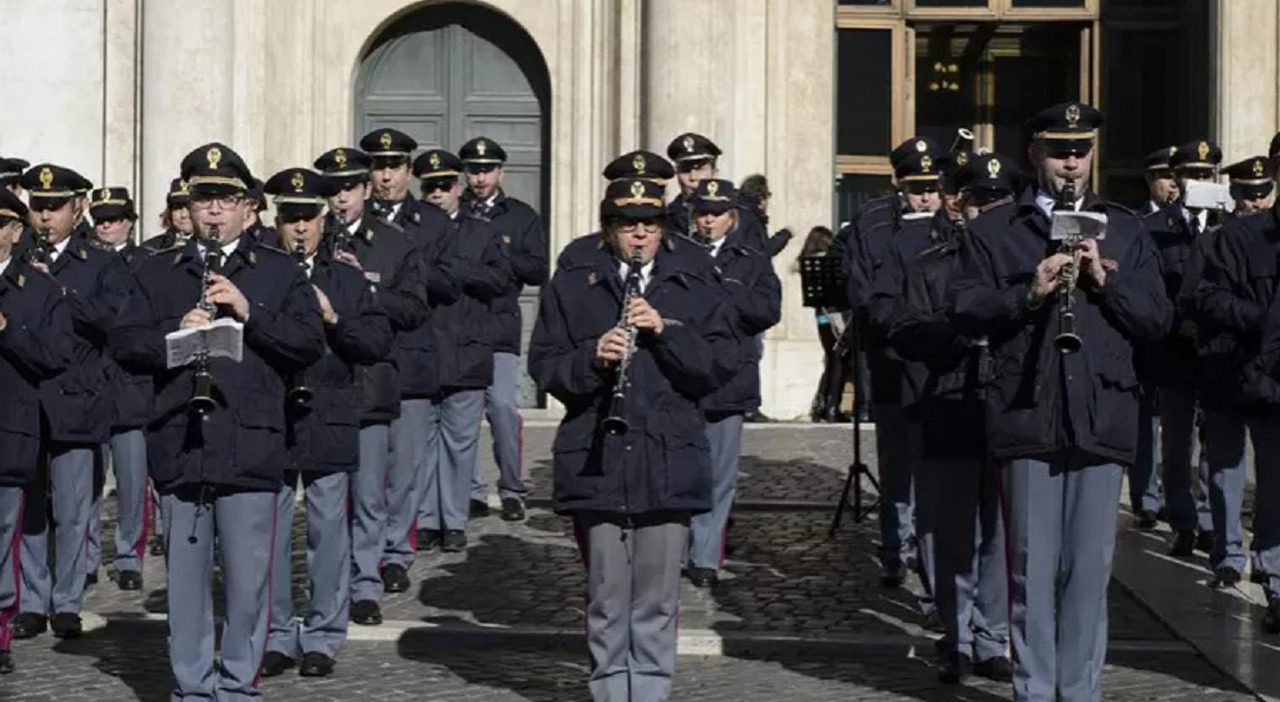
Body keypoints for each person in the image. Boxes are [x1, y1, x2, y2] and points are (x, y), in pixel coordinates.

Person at [950, 102, 1171, 702]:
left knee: (1088, 571)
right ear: (1035, 156)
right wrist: (1028, 291)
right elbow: (964, 306)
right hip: (1028, 410)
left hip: (1102, 412)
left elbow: (1157, 319)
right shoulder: (994, 230)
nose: (1071, 162)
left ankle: (1079, 692)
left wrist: (1107, 282)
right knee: (1029, 566)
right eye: (1059, 151)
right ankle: (1034, 690)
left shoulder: (1125, 228)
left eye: (1081, 151)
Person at [113, 143, 326, 702]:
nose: (212, 211)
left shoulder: (277, 271)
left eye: (225, 200)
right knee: (185, 586)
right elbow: (125, 342)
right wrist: (173, 336)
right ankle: (191, 689)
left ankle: (238, 688)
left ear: (249, 208)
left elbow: (308, 342)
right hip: (181, 441)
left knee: (248, 586)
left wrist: (250, 312)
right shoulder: (157, 270)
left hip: (250, 444)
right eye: (202, 198)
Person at [529, 176, 737, 702]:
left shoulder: (694, 280)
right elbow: (545, 368)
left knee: (657, 599)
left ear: (663, 229)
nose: (639, 235)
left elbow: (717, 367)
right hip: (596, 458)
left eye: (649, 224)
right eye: (628, 225)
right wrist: (592, 359)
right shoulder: (576, 282)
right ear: (610, 229)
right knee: (605, 595)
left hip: (669, 457)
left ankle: (648, 691)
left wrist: (667, 333)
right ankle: (607, 691)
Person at [888, 151, 1018, 684]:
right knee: (950, 531)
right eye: (977, 201)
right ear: (956, 204)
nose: (986, 210)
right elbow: (906, 332)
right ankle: (956, 633)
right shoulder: (932, 264)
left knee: (1000, 532)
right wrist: (961, 334)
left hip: (1010, 407)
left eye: (997, 202)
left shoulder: (1021, 260)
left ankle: (991, 637)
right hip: (946, 402)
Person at [259, 167, 392, 678]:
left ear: (322, 219)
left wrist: (334, 318)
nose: (298, 229)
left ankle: (322, 634)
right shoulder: (263, 272)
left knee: (327, 534)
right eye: (289, 218)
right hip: (270, 414)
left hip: (329, 411)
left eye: (306, 219)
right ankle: (274, 632)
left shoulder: (346, 276)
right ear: (277, 221)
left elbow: (376, 344)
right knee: (268, 532)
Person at [13, 164, 134, 640]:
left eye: (54, 208)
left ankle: (66, 601)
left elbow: (115, 317)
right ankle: (30, 601)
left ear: (77, 208)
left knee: (73, 507)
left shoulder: (99, 261)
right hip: (25, 397)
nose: (44, 217)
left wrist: (57, 292)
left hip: (77, 396)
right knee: (31, 505)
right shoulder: (17, 257)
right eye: (38, 207)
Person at [313, 145, 429, 625]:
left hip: (371, 381)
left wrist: (367, 292)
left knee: (368, 494)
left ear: (365, 189)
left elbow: (415, 308)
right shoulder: (308, 240)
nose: (340, 200)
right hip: (320, 383)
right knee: (324, 498)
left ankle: (365, 583)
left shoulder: (394, 243)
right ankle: (328, 587)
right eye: (332, 191)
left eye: (348, 189)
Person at [846, 140, 947, 589]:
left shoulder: (952, 227)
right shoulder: (872, 224)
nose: (925, 196)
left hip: (937, 362)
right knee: (895, 459)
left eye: (932, 187)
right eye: (916, 187)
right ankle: (894, 546)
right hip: (890, 355)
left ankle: (929, 548)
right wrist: (902, 322)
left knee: (934, 461)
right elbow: (863, 290)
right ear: (898, 185)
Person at [409, 149, 511, 553]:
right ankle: (426, 519)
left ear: (457, 187)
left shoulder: (480, 231)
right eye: (428, 186)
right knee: (423, 441)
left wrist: (458, 273)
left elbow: (501, 280)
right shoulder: (410, 229)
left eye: (443, 186)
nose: (436, 193)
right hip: (423, 347)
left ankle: (453, 519)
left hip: (467, 347)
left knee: (460, 441)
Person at [684, 179, 781, 588]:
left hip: (729, 376)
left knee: (720, 473)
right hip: (683, 375)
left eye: (717, 213)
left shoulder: (752, 259)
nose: (709, 220)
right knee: (682, 469)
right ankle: (677, 546)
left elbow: (767, 310)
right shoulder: (678, 255)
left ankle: (705, 556)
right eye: (703, 212)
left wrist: (725, 292)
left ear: (732, 218)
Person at [0, 189, 74, 674]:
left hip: (7, 430)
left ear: (11, 231)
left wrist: (7, 329)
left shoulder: (38, 291)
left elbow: (55, 357)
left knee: (2, 536)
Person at [459, 136, 549, 521]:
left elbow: (537, 269)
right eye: (474, 171)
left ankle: (512, 487)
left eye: (486, 171)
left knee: (501, 407)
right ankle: (472, 490)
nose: (479, 179)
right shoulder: (454, 210)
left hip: (499, 323)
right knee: (463, 414)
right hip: (459, 325)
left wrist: (498, 261)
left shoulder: (521, 215)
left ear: (500, 171)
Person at [84, 186, 153, 591]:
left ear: (129, 220)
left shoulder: (145, 263)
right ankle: (88, 555)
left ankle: (129, 556)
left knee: (131, 480)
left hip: (130, 383)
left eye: (113, 218)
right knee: (89, 482)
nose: (106, 225)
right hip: (93, 384)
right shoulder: (86, 261)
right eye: (100, 219)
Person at [800, 226, 850, 422]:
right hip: (835, 314)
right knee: (839, 359)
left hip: (821, 317)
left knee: (831, 358)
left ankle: (822, 405)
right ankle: (831, 406)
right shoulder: (828, 261)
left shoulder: (808, 261)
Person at [145, 177, 195, 251]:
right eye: (178, 208)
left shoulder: (213, 249)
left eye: (189, 208)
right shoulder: (150, 249)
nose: (184, 215)